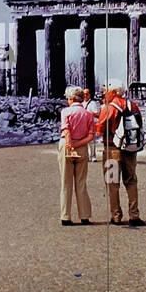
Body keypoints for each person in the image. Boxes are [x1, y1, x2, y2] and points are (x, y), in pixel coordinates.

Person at [97, 82, 143, 226]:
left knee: (112, 182)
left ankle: (116, 215)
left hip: (112, 148)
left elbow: (100, 128)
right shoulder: (133, 105)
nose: (104, 93)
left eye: (106, 90)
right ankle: (134, 215)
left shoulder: (109, 107)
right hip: (130, 148)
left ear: (114, 92)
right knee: (131, 180)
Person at [59, 86, 96, 226]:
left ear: (71, 99)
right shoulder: (88, 114)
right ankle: (85, 215)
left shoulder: (66, 112)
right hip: (82, 149)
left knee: (66, 183)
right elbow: (91, 135)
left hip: (67, 147)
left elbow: (66, 130)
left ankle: (66, 216)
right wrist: (79, 143)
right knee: (81, 183)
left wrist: (70, 144)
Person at [83, 87, 100, 162]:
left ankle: (93, 156)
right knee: (84, 142)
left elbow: (97, 114)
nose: (85, 95)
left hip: (91, 124)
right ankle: (86, 156)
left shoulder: (93, 103)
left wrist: (87, 113)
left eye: (87, 94)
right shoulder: (81, 104)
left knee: (91, 141)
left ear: (89, 95)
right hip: (83, 124)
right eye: (84, 94)